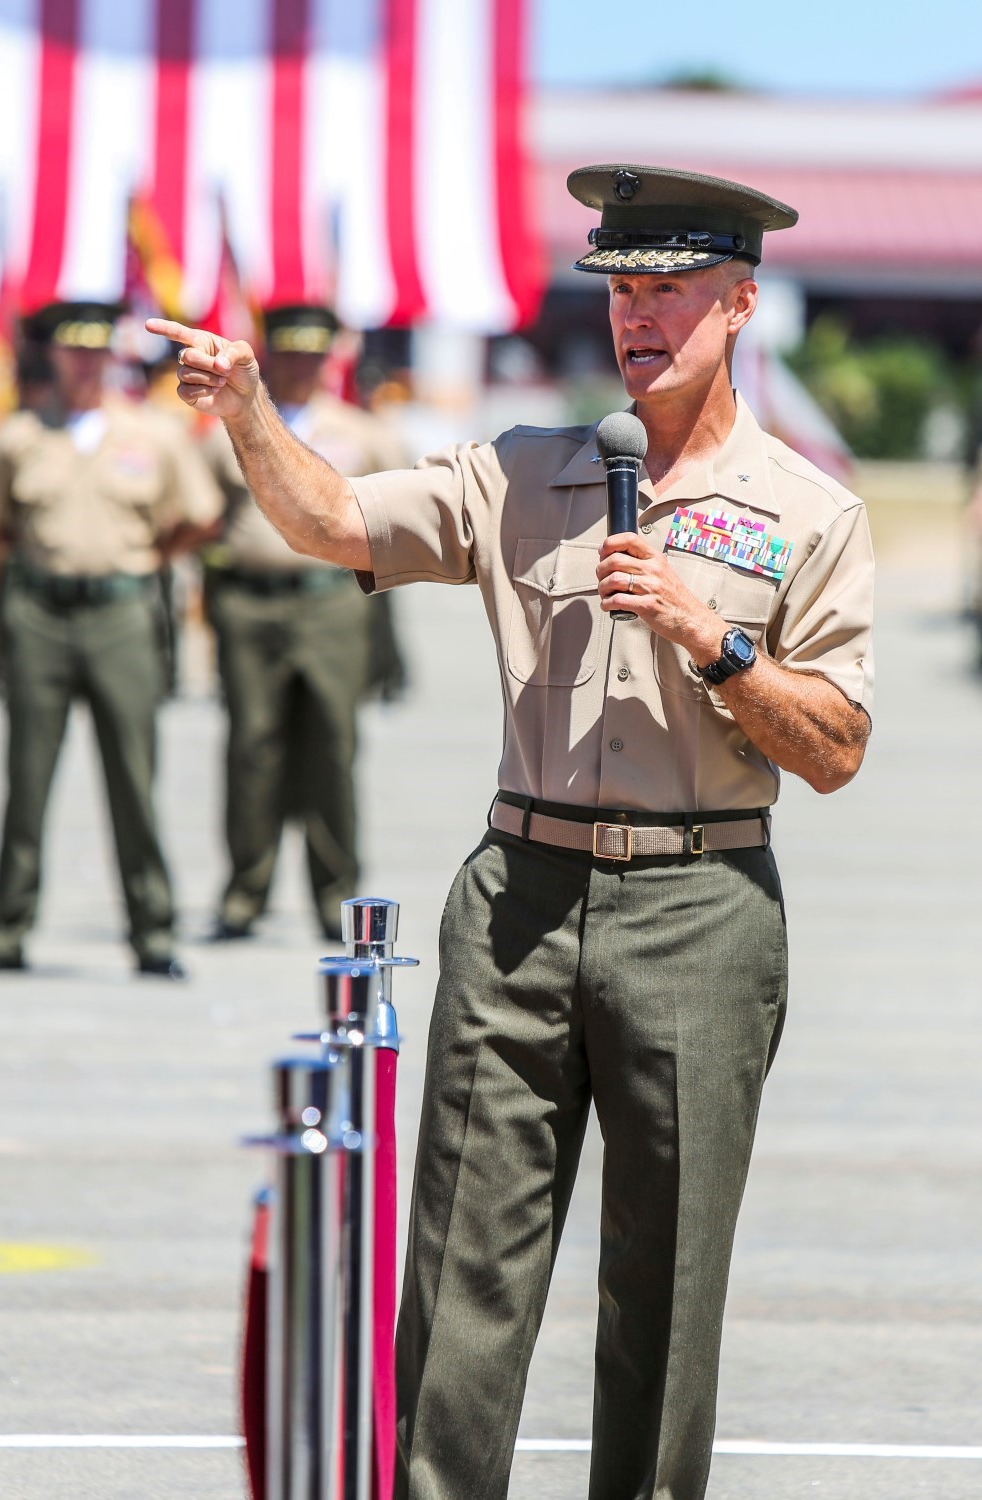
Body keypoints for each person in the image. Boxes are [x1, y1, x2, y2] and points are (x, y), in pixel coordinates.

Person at [148, 162, 874, 1499]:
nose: (638, 319)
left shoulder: (810, 513)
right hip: (518, 905)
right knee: (460, 1282)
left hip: (702, 912)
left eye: (670, 293)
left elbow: (833, 748)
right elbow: (331, 521)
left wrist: (709, 638)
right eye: (622, 292)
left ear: (740, 305)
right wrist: (250, 410)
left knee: (665, 1292)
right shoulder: (523, 473)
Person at [0, 301, 223, 978]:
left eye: (95, 352)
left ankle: (152, 931)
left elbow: (200, 516)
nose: (83, 363)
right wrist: (5, 607)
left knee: (133, 777)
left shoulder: (149, 434)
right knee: (26, 780)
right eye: (72, 351)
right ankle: (9, 926)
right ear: (54, 356)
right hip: (41, 612)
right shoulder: (21, 436)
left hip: (120, 613)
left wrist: (151, 559)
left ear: (109, 358)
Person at [201, 303, 409, 944]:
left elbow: (393, 532)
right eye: (288, 355)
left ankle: (334, 892)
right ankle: (245, 890)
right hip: (252, 600)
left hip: (331, 602)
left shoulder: (360, 432)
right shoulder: (228, 430)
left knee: (331, 744)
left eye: (312, 356)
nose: (299, 367)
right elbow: (201, 520)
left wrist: (388, 644)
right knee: (251, 748)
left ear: (328, 360)